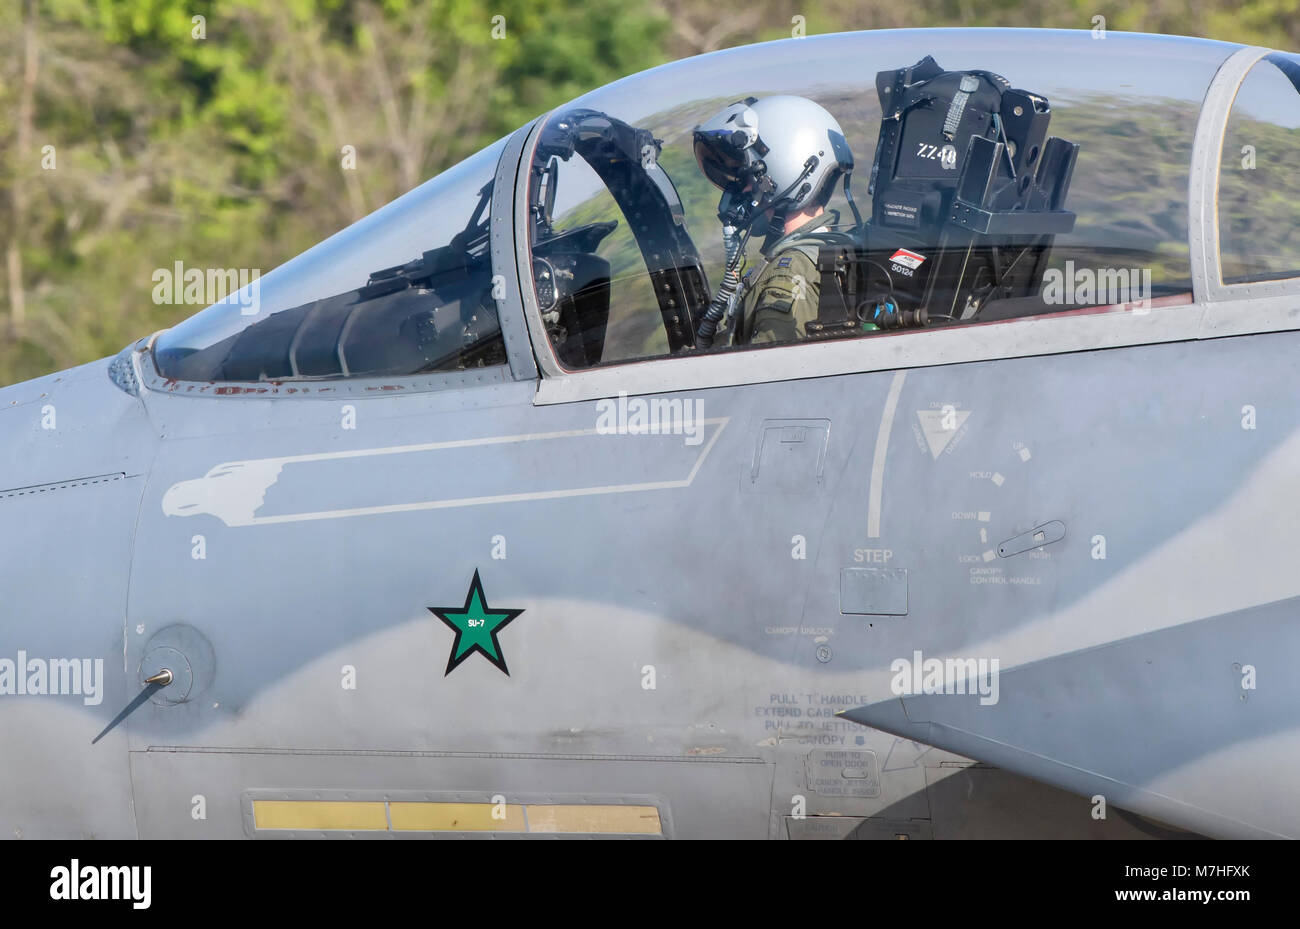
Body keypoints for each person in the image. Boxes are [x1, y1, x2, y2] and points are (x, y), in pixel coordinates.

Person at [692, 95, 855, 346]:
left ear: (781, 172)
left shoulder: (787, 274)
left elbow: (763, 373)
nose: (743, 191)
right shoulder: (831, 247)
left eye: (748, 179)